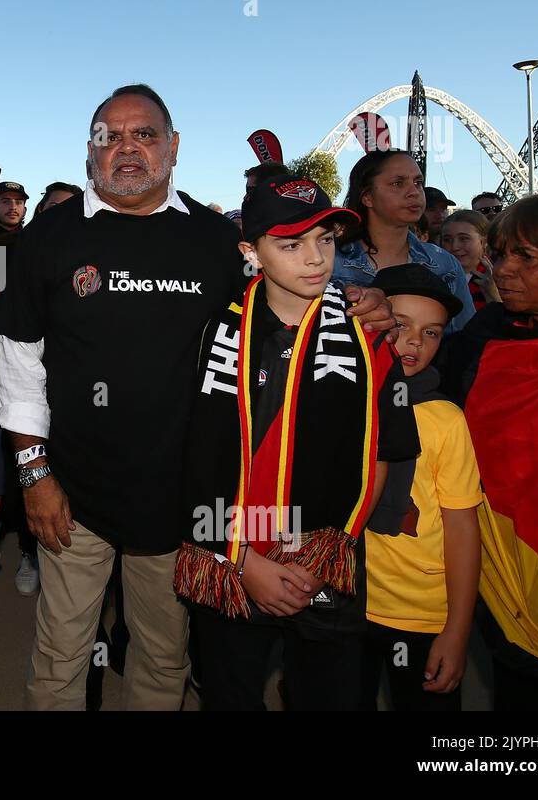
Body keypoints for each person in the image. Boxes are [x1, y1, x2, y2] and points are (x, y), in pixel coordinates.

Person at [0, 85, 398, 711]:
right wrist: (34, 475)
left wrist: (360, 301)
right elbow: (19, 366)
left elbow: (292, 293)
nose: (126, 149)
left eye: (145, 135)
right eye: (110, 136)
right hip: (73, 496)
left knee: (163, 660)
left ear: (174, 147)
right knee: (59, 658)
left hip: (184, 507)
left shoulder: (218, 241)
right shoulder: (48, 238)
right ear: (90, 152)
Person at [173, 176, 418, 711]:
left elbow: (383, 452)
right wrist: (242, 560)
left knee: (328, 693)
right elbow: (190, 451)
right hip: (233, 547)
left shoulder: (366, 332)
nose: (315, 259)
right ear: (250, 251)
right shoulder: (211, 328)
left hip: (323, 553)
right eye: (291, 244)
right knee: (231, 693)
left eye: (325, 240)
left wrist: (325, 553)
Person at [441, 192, 538, 709]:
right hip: (509, 586)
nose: (503, 270)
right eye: (502, 253)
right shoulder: (484, 338)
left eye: (526, 258)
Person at [360, 264, 481, 711]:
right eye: (401, 325)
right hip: (348, 600)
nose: (415, 341)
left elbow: (463, 526)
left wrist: (457, 629)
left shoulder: (446, 420)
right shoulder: (342, 399)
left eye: (431, 333)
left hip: (422, 612)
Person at [334, 151, 475, 333]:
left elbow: (466, 339)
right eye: (398, 183)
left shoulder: (445, 266)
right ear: (367, 197)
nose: (414, 192)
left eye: (418, 183)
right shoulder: (330, 262)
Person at [439, 209, 499, 310]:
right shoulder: (435, 277)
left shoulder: (502, 278)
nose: (454, 246)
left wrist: (494, 295)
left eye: (463, 238)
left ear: (484, 242)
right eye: (447, 240)